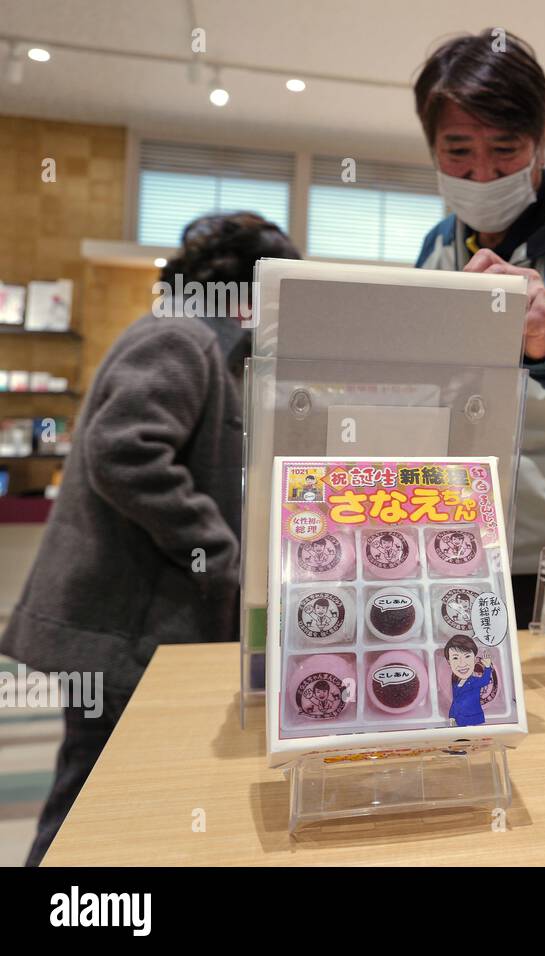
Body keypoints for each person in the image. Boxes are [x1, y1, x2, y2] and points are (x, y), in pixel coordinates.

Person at [0, 212, 300, 866]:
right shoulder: (182, 337)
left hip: (131, 627)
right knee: (92, 800)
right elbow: (124, 451)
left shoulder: (197, 339)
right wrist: (215, 549)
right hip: (122, 628)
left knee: (115, 790)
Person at [413, 30, 545, 621]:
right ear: (433, 148)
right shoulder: (440, 242)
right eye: (458, 152)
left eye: (504, 149)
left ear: (540, 141)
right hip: (456, 538)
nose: (481, 174)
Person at [443, 634, 494, 726]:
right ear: (449, 662)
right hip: (460, 718)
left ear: (474, 659)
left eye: (467, 656)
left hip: (474, 718)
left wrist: (487, 667)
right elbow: (455, 702)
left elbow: (485, 680)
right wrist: (452, 716)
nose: (462, 663)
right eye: (455, 658)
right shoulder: (455, 684)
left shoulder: (473, 681)